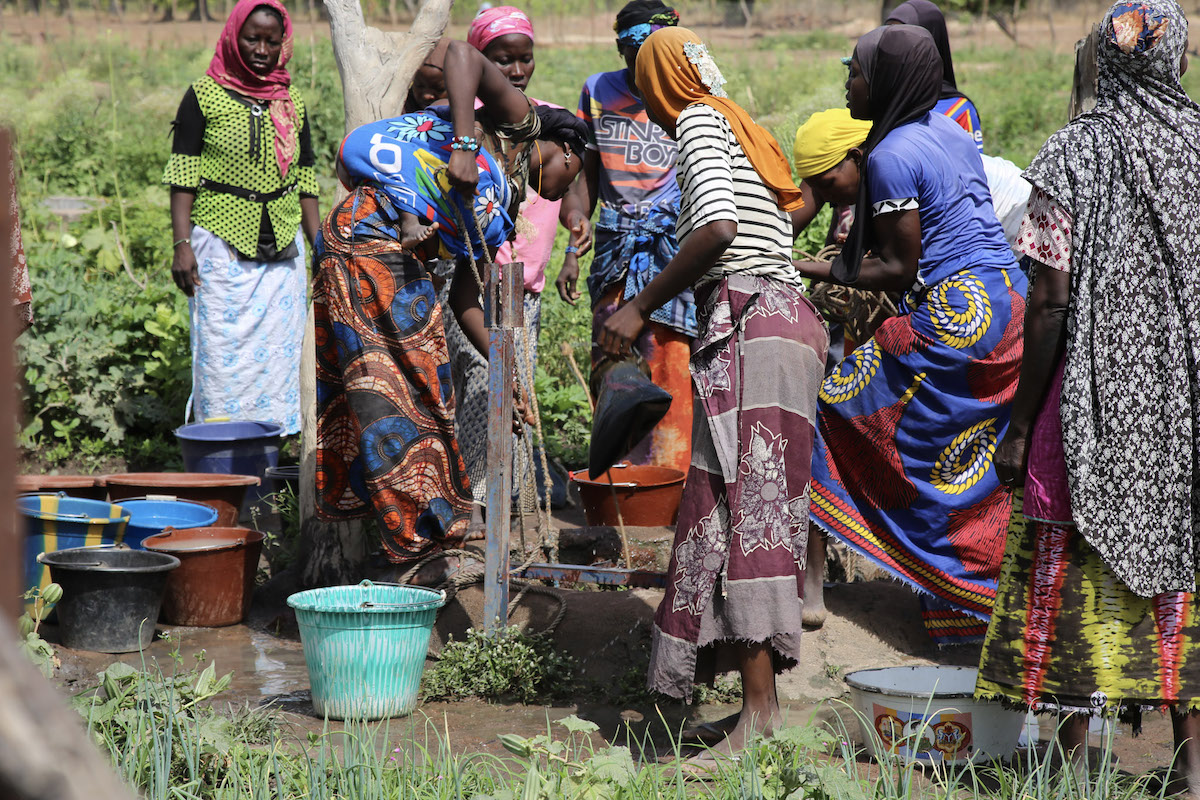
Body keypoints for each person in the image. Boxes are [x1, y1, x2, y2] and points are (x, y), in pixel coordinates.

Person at [977, 1, 1200, 790]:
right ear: (1175, 57)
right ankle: (1190, 769)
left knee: (1070, 561)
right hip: (1184, 404)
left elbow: (1049, 300)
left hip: (1089, 401)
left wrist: (1017, 423)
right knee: (1181, 564)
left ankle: (1068, 764)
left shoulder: (1072, 152)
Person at [599, 27, 826, 758]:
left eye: (644, 83)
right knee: (714, 512)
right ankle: (681, 706)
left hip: (753, 320)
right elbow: (779, 219)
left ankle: (760, 718)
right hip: (782, 323)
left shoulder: (698, 119)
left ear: (663, 80)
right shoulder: (737, 123)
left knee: (748, 513)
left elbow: (720, 227)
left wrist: (638, 306)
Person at [313, 41, 586, 582]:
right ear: (564, 148)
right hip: (370, 239)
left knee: (415, 400)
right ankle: (422, 555)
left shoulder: (502, 206)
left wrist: (507, 372)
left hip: (380, 250)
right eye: (572, 169)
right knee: (409, 403)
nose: (565, 186)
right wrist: (463, 144)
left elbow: (465, 298)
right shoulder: (521, 124)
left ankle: (417, 552)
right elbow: (461, 53)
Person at [795, 25, 1026, 644]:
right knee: (961, 453)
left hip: (956, 313)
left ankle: (812, 578)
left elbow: (897, 266)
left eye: (858, 72)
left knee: (830, 407)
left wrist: (806, 266)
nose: (849, 82)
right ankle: (964, 605)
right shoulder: (947, 129)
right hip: (1007, 301)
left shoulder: (894, 152)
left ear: (889, 80)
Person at [447, 6, 592, 512]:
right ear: (482, 60)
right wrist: (465, 142)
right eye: (501, 60)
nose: (515, 70)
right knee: (482, 391)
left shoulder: (543, 121)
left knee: (516, 397)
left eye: (524, 59)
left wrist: (575, 220)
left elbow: (571, 182)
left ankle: (513, 501)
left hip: (523, 285)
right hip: (475, 284)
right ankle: (482, 507)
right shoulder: (464, 121)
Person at [163, 0, 318, 434]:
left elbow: (305, 177)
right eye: (253, 39)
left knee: (280, 353)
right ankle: (221, 447)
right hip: (220, 240)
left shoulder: (291, 99)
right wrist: (182, 245)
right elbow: (183, 175)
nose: (263, 50)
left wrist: (320, 245)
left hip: (284, 243)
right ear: (234, 36)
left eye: (273, 41)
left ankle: (272, 454)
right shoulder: (203, 94)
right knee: (221, 352)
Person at [565, 0, 697, 476]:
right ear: (619, 47)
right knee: (616, 364)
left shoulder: (692, 95)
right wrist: (575, 226)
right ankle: (619, 484)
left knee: (670, 367)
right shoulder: (598, 90)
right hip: (614, 249)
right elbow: (585, 176)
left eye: (651, 52)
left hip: (673, 248)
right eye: (631, 51)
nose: (641, 64)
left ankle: (669, 486)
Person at [885, 0, 983, 152]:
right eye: (887, 34)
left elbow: (972, 169)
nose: (892, 45)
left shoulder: (958, 110)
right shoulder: (880, 98)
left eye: (903, 35)